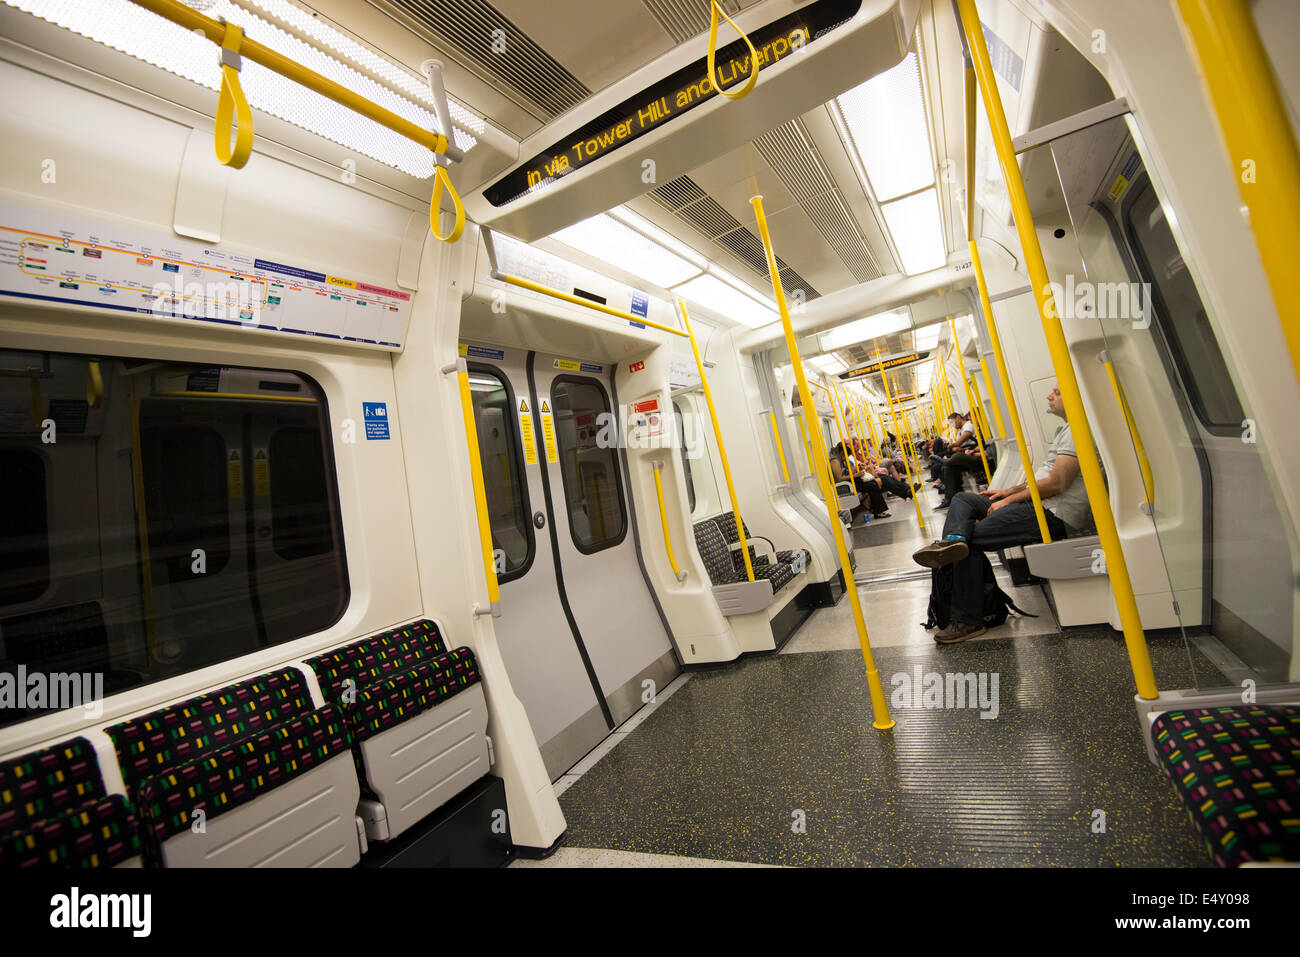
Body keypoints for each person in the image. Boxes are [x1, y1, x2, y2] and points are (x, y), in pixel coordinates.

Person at [911, 385, 1090, 643]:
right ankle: (952, 541)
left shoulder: (1078, 431)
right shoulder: (1066, 430)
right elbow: (1039, 481)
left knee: (969, 542)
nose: (1049, 396)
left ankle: (969, 619)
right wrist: (1006, 492)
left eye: (1058, 393)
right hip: (1038, 502)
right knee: (963, 500)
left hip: (1054, 512)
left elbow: (1056, 483)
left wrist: (1011, 500)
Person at [935, 412, 984, 509]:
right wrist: (954, 448)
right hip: (967, 453)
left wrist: (955, 447)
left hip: (975, 456)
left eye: (952, 422)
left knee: (956, 456)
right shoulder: (961, 430)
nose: (952, 425)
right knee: (948, 467)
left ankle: (946, 461)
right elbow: (955, 447)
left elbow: (958, 443)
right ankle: (951, 498)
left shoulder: (968, 425)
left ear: (958, 417)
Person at [830, 442, 889, 518]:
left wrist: (857, 469)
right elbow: (840, 478)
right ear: (841, 453)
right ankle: (878, 512)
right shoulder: (835, 462)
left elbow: (848, 471)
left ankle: (876, 510)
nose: (846, 458)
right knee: (872, 485)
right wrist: (855, 475)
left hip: (850, 480)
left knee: (873, 482)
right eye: (845, 456)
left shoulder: (841, 461)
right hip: (845, 485)